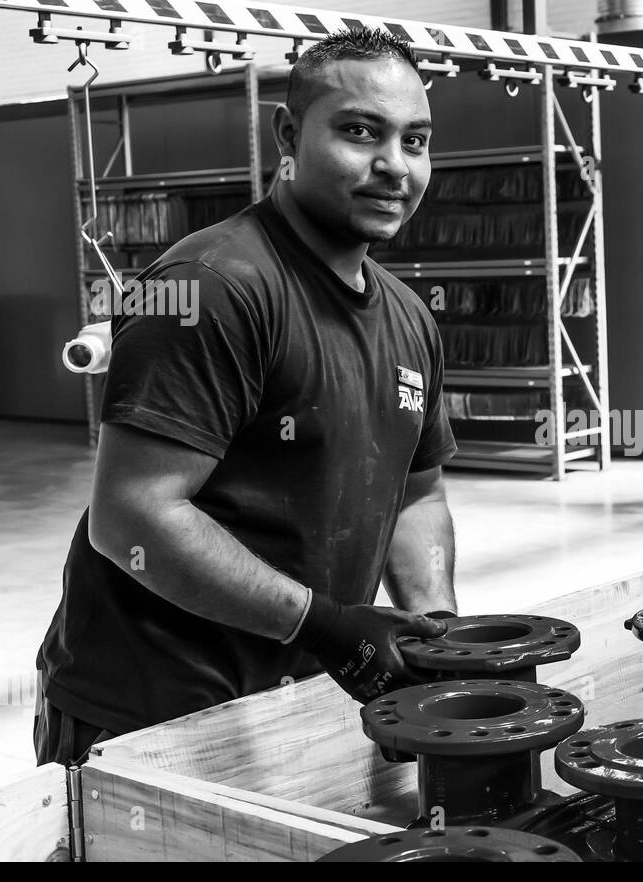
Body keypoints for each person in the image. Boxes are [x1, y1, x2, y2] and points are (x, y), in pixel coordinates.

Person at [34, 26, 457, 766]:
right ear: (289, 134)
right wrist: (326, 625)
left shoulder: (409, 317)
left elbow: (416, 495)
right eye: (360, 132)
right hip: (149, 718)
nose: (394, 166)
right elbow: (134, 514)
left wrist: (438, 634)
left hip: (289, 701)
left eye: (415, 141)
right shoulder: (212, 286)